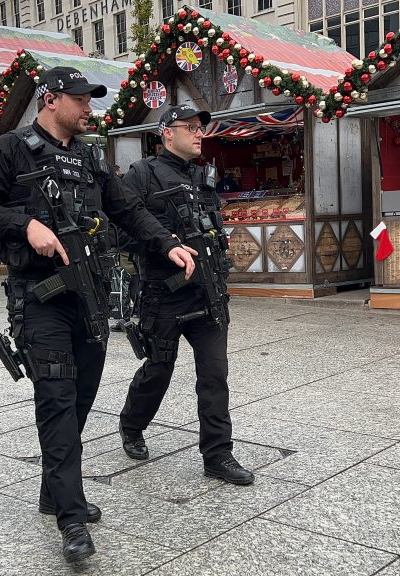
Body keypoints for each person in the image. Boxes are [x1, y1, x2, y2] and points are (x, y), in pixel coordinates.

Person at [0, 66, 195, 564]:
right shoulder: (9, 149)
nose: (90, 108)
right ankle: (71, 517)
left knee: (82, 398)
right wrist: (26, 226)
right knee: (58, 400)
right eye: (81, 99)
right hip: (40, 298)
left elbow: (126, 210)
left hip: (88, 297)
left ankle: (53, 488)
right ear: (49, 100)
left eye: (90, 100)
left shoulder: (90, 156)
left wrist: (167, 242)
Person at [118, 104, 252, 485]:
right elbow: (120, 231)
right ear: (167, 133)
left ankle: (218, 454)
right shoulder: (141, 175)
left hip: (207, 293)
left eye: (200, 128)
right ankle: (131, 425)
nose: (199, 134)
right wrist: (164, 242)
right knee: (159, 369)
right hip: (163, 295)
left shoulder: (203, 176)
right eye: (190, 127)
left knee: (214, 375)